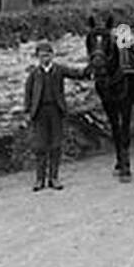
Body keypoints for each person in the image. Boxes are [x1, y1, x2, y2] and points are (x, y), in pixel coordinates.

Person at [23, 41, 88, 191]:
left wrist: (89, 70)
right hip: (39, 113)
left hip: (55, 111)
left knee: (56, 145)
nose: (44, 58)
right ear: (37, 57)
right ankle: (40, 179)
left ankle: (54, 178)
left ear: (52, 55)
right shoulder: (34, 74)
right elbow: (28, 93)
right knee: (40, 146)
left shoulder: (58, 70)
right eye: (41, 56)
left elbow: (75, 74)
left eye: (47, 55)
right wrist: (27, 112)